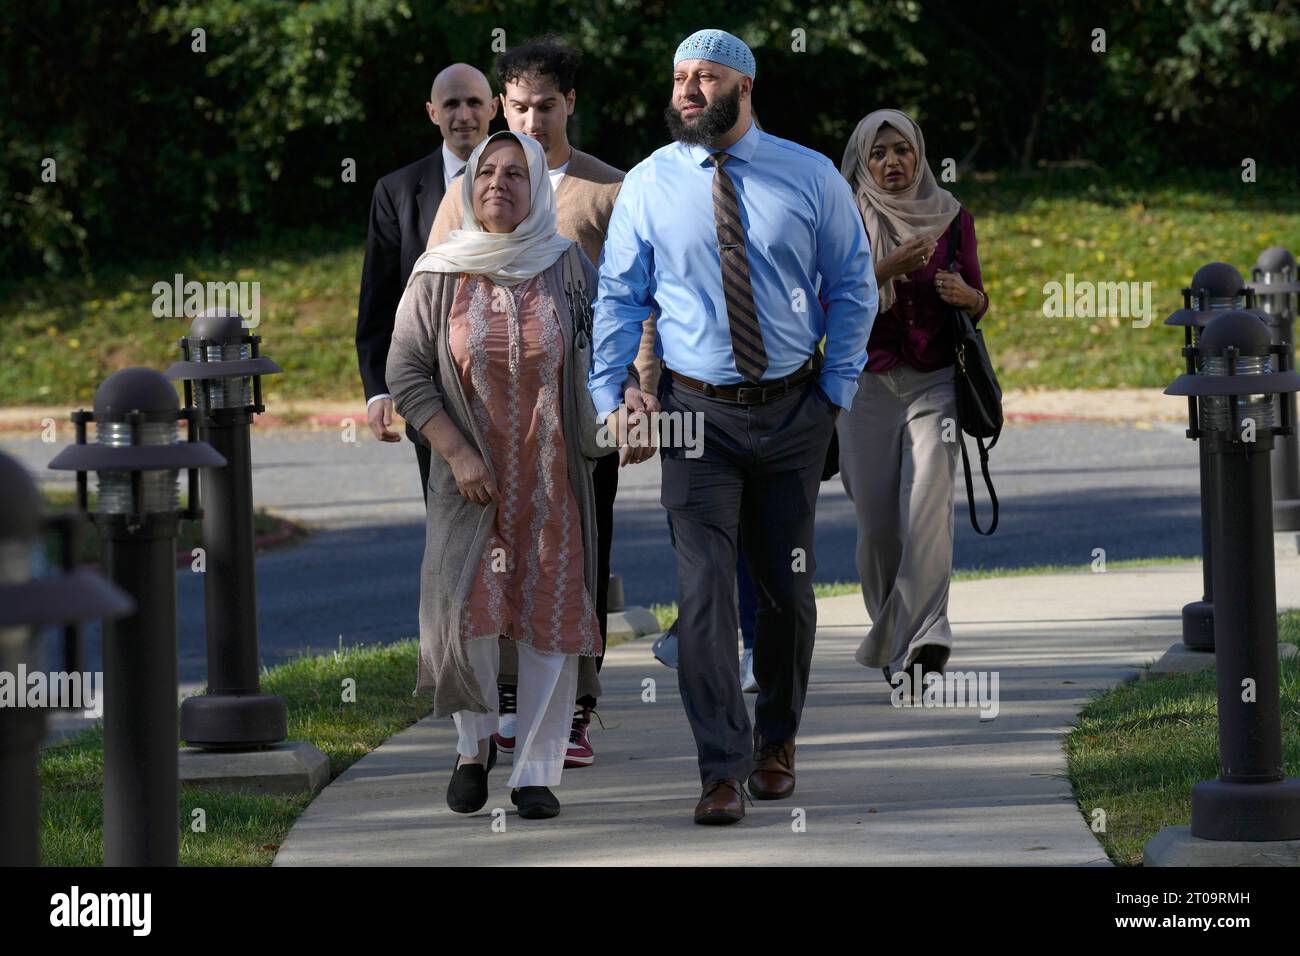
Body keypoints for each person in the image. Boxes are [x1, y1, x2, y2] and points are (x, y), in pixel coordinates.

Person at [591, 29, 878, 825]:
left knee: (786, 589)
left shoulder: (810, 175)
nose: (687, 89)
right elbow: (619, 297)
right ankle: (720, 768)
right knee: (704, 592)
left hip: (794, 410)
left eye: (705, 76)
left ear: (744, 87)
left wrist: (834, 394)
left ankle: (775, 744)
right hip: (693, 415)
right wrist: (611, 389)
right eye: (680, 75)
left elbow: (855, 284)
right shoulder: (649, 183)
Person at [426, 36, 659, 769]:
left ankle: (575, 710)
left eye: (545, 107)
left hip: (576, 418)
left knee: (572, 565)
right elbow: (432, 299)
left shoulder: (605, 189)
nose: (530, 120)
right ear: (503, 103)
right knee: (482, 570)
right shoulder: (475, 184)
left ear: (571, 105)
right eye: (518, 106)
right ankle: (499, 709)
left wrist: (641, 391)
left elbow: (633, 305)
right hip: (478, 421)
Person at [385, 130, 611, 821]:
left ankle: (537, 771)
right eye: (487, 172)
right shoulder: (440, 270)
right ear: (469, 185)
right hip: (470, 483)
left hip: (552, 476)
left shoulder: (569, 266)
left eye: (516, 173)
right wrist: (455, 451)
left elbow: (603, 351)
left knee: (549, 618)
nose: (499, 185)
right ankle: (473, 746)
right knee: (471, 615)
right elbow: (405, 371)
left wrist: (623, 409)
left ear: (538, 185)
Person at [836, 109, 989, 692]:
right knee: (877, 525)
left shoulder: (953, 217)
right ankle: (890, 633)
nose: (892, 162)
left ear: (920, 154)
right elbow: (826, 300)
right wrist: (885, 268)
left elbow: (980, 301)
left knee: (927, 507)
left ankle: (927, 636)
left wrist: (969, 297)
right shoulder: (845, 216)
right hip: (864, 384)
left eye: (902, 149)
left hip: (934, 382)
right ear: (863, 161)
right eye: (879, 153)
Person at [356, 63, 497, 503]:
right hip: (434, 394)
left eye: (474, 102)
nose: (464, 114)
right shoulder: (397, 191)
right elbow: (379, 298)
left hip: (520, 387)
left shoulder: (529, 180)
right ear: (432, 112)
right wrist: (378, 387)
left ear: (494, 108)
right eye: (451, 103)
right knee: (449, 532)